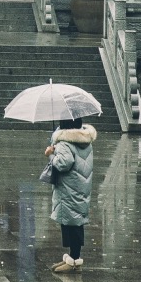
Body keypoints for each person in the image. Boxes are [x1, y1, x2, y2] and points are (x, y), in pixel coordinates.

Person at [45, 116, 96, 273]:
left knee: (71, 223)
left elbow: (63, 163)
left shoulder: (65, 143)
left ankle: (74, 260)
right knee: (75, 221)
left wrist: (50, 154)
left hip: (69, 188)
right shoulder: (84, 140)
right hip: (80, 186)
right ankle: (73, 257)